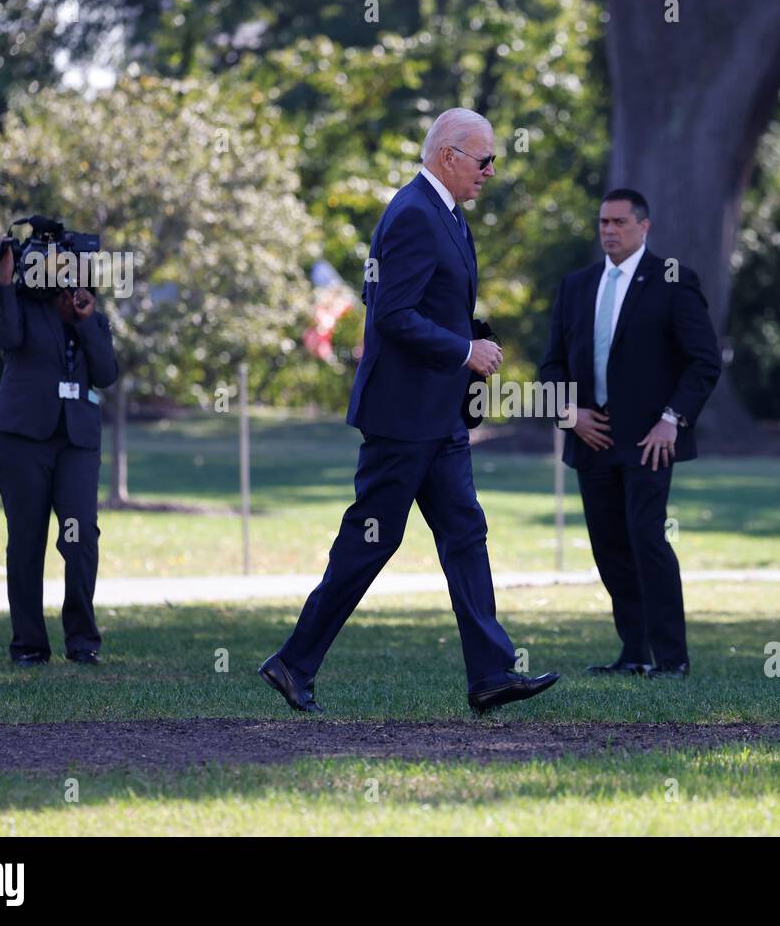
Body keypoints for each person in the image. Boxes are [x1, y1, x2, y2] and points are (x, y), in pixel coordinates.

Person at [260, 108, 560, 714]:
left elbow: (432, 304)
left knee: (464, 533)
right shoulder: (413, 214)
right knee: (371, 540)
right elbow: (391, 316)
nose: (491, 172)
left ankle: (491, 675)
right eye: (484, 160)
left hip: (439, 417)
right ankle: (292, 662)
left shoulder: (445, 214)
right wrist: (464, 350)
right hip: (402, 418)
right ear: (448, 156)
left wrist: (467, 337)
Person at [540, 189, 721, 678]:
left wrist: (672, 419)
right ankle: (634, 652)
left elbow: (704, 361)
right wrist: (568, 413)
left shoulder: (673, 279)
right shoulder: (576, 285)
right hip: (590, 438)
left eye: (619, 222)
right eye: (603, 222)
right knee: (609, 546)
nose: (609, 231)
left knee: (646, 538)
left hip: (649, 440)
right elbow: (551, 364)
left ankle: (672, 659)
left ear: (645, 227)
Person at [0, 234, 118, 666]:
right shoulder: (24, 303)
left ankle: (82, 641)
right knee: (26, 540)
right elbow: (6, 337)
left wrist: (84, 321)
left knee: (80, 536)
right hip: (21, 437)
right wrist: (5, 280)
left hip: (76, 440)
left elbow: (106, 373)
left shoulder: (91, 312)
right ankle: (28, 644)